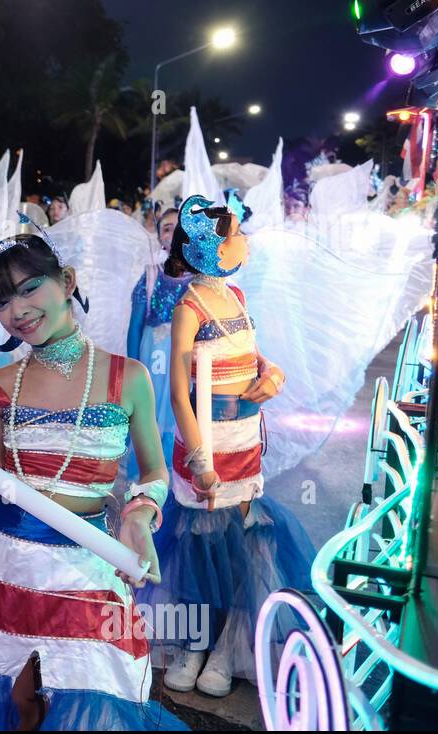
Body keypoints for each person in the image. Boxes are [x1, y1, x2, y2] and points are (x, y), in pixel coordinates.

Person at [0, 227, 187, 731]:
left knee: (103, 683)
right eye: (1, 302)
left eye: (29, 288)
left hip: (91, 560)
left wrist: (140, 514)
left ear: (68, 281)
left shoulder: (130, 377)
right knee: (20, 699)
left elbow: (153, 471)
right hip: (8, 561)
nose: (16, 310)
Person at [148, 194, 316, 698]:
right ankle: (194, 644)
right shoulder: (189, 307)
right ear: (211, 248)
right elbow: (178, 392)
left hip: (246, 444)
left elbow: (256, 358)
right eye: (236, 233)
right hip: (206, 444)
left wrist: (274, 373)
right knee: (200, 548)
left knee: (242, 545)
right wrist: (199, 460)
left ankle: (225, 645)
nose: (244, 240)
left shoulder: (237, 298)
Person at [125, 207, 184, 481]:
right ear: (160, 237)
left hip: (182, 359)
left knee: (179, 411)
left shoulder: (200, 279)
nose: (172, 233)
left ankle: (178, 479)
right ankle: (147, 482)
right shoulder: (150, 275)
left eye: (178, 227)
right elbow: (135, 327)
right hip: (153, 359)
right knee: (151, 415)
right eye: (166, 228)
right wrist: (133, 369)